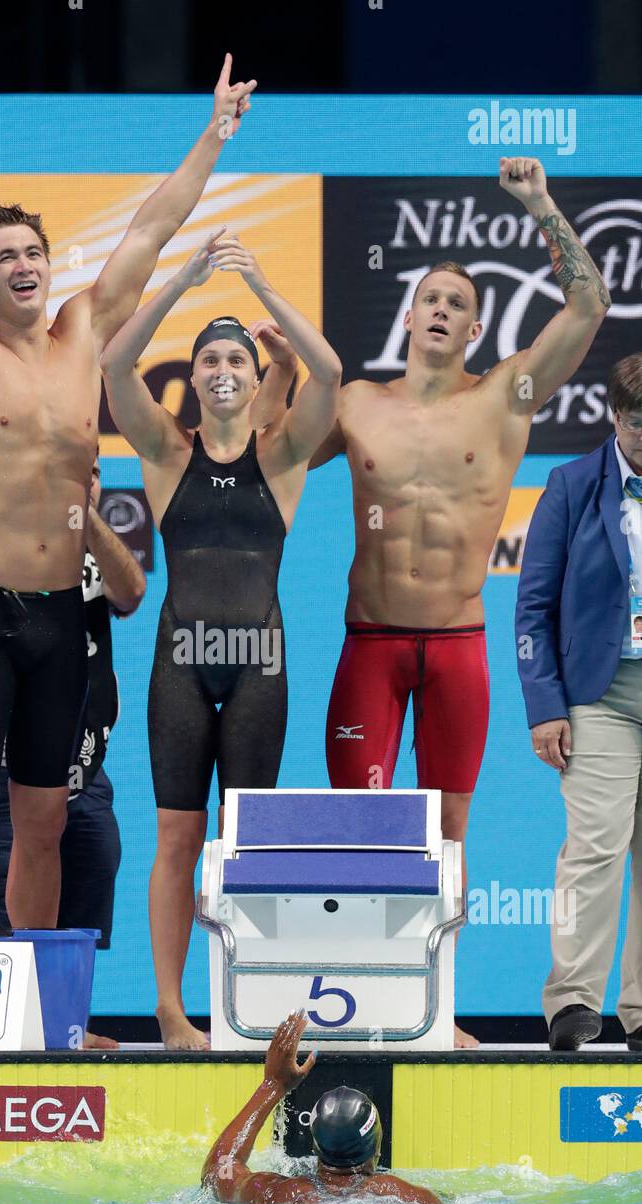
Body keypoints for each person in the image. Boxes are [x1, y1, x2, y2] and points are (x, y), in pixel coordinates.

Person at [0, 29, 256, 940]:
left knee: (45, 822)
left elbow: (153, 226)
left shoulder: (83, 334)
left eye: (36, 252)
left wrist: (215, 134)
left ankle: (32, 1010)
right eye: (7, 258)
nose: (27, 265)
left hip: (63, 613)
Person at [309, 157, 611, 1047]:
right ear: (409, 315)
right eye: (430, 299)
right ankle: (361, 1005)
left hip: (458, 649)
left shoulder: (506, 397)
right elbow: (265, 464)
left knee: (447, 838)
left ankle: (433, 1009)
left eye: (458, 306)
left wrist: (542, 206)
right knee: (367, 837)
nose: (441, 312)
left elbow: (588, 307)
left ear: (475, 331)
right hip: (368, 644)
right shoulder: (356, 403)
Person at [100, 234, 342, 1049]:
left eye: (237, 358)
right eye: (209, 361)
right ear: (196, 377)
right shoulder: (170, 453)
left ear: (254, 372)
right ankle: (172, 1011)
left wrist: (265, 288)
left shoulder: (284, 458)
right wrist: (183, 281)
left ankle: (244, 1008)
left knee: (245, 846)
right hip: (180, 666)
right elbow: (115, 365)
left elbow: (331, 373)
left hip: (258, 672)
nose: (223, 370)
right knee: (177, 837)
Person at [0, 451, 145, 1049]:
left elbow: (132, 593)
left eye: (90, 471)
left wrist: (89, 517)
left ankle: (62, 1025)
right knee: (2, 916)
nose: (80, 480)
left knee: (91, 879)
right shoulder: (10, 543)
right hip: (10, 773)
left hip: (85, 771)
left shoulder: (95, 549)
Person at [515, 354, 642, 1053]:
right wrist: (544, 704)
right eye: (636, 420)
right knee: (594, 850)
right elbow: (531, 607)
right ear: (613, 416)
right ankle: (572, 1002)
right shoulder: (569, 486)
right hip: (600, 696)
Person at [201, 1011, 444, 1204]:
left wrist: (273, 1085)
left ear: (315, 1144)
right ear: (377, 1146)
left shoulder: (279, 1193)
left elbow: (218, 1170)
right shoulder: (407, 1197)